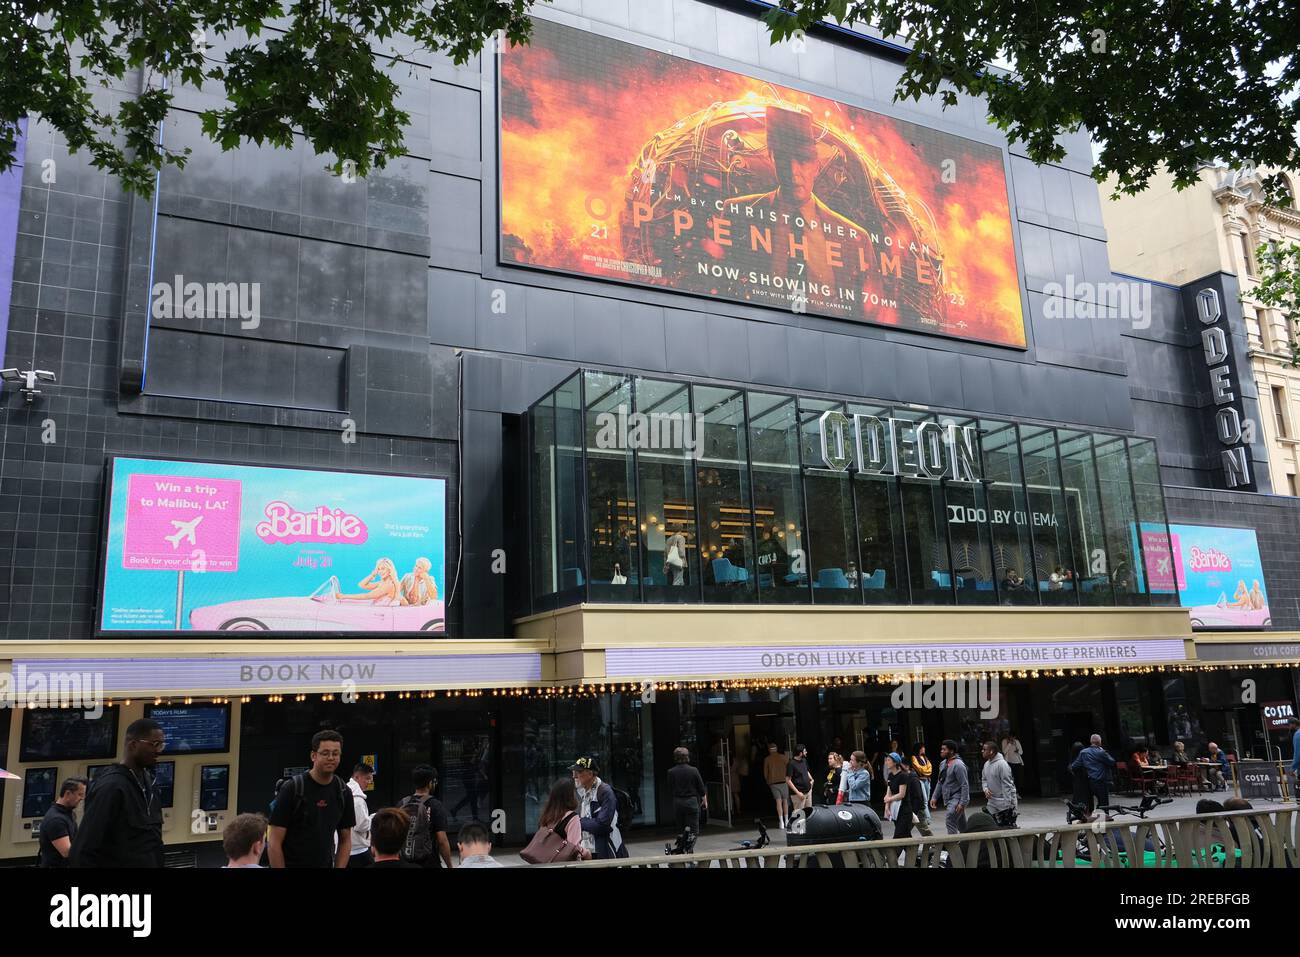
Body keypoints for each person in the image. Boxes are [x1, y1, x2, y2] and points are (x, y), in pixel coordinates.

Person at [71, 718, 166, 868]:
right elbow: (84, 849)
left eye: (162, 745)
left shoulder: (149, 783)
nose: (159, 750)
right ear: (133, 745)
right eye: (155, 744)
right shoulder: (111, 786)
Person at [267, 730, 356, 868]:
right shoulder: (292, 789)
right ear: (313, 755)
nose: (331, 758)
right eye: (325, 753)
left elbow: (345, 840)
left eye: (335, 753)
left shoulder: (343, 792)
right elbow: (274, 841)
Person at [571, 756, 627, 859]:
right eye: (574, 772)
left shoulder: (605, 792)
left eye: (578, 772)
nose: (574, 776)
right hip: (588, 849)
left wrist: (578, 821)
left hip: (607, 849)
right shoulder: (581, 791)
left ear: (590, 774)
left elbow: (602, 825)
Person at [399, 764, 453, 868]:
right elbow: (442, 840)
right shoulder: (435, 805)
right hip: (429, 861)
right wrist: (450, 865)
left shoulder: (402, 804)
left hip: (405, 861)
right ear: (430, 783)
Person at [529, 777, 590, 864]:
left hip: (545, 861)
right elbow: (573, 847)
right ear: (570, 796)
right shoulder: (572, 818)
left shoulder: (547, 814)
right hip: (563, 863)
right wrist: (586, 853)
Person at [38, 777, 86, 868]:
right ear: (68, 794)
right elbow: (67, 852)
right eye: (80, 794)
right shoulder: (56, 820)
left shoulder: (68, 814)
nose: (82, 798)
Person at [1070, 734, 1116, 821]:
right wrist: (1103, 751)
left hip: (1091, 781)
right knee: (1104, 804)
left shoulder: (1083, 752)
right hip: (1101, 781)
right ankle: (1103, 826)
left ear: (1091, 742)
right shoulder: (1101, 752)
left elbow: (1074, 766)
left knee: (1098, 803)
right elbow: (1112, 762)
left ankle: (1098, 821)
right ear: (1100, 742)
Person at [667, 747, 707, 839]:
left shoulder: (671, 772)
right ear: (687, 757)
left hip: (678, 801)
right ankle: (689, 849)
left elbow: (670, 787)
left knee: (681, 829)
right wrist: (704, 800)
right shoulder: (694, 770)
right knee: (693, 830)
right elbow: (701, 788)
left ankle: (682, 848)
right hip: (691, 801)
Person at [931, 739, 969, 835]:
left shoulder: (959, 765)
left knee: (950, 819)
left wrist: (962, 803)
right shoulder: (943, 764)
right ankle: (967, 842)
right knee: (962, 825)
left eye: (944, 749)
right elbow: (940, 782)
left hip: (958, 797)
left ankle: (953, 846)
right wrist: (934, 797)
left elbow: (964, 785)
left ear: (951, 751)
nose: (941, 751)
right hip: (949, 797)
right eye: (941, 749)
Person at [981, 740, 1018, 828]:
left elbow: (1007, 785)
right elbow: (984, 780)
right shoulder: (986, 764)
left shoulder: (1002, 764)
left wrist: (1009, 805)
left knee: (1007, 828)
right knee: (993, 827)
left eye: (984, 749)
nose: (982, 751)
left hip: (1004, 802)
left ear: (991, 751)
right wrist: (985, 789)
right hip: (992, 802)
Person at [345, 761, 375, 868]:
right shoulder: (357, 799)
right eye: (367, 778)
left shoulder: (345, 791)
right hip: (358, 850)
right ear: (357, 777)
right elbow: (361, 826)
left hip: (345, 849)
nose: (369, 782)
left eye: (370, 779)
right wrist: (374, 817)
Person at [335, 557, 402, 603]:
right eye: (378, 569)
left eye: (383, 568)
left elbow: (367, 596)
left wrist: (344, 596)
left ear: (390, 570)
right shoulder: (382, 583)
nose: (380, 571)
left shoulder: (388, 585)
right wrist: (372, 575)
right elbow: (361, 585)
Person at [882, 753, 916, 840]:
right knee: (906, 837)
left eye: (888, 760)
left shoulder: (903, 776)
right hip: (895, 810)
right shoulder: (890, 775)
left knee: (898, 836)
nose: (886, 762)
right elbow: (888, 793)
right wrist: (887, 807)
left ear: (895, 763)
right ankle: (913, 853)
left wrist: (889, 799)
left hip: (904, 810)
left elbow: (901, 794)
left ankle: (893, 854)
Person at [762, 742, 790, 829]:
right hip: (784, 781)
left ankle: (781, 821)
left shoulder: (767, 759)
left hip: (773, 783)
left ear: (769, 750)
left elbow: (765, 773)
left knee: (778, 802)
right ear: (776, 749)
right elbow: (789, 768)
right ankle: (786, 820)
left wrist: (768, 781)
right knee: (785, 801)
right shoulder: (784, 757)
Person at [1068, 742, 1095, 822]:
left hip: (1078, 784)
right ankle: (1086, 816)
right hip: (1085, 783)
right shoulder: (1083, 759)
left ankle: (1079, 816)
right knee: (1086, 801)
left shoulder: (1072, 761)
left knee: (1078, 800)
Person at [786, 743, 813, 818]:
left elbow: (806, 771)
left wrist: (812, 779)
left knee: (809, 814)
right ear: (800, 753)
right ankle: (798, 830)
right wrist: (798, 793)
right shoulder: (791, 763)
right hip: (798, 794)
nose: (806, 752)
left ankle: (807, 830)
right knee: (799, 815)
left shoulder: (804, 761)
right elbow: (788, 780)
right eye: (805, 751)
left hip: (808, 791)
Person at [911, 744, 934, 831]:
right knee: (924, 800)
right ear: (919, 749)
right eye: (922, 747)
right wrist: (926, 772)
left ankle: (926, 818)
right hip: (920, 780)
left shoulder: (925, 758)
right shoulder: (914, 758)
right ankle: (928, 819)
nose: (924, 749)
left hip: (927, 780)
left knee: (927, 799)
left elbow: (930, 768)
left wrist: (926, 772)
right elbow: (919, 768)